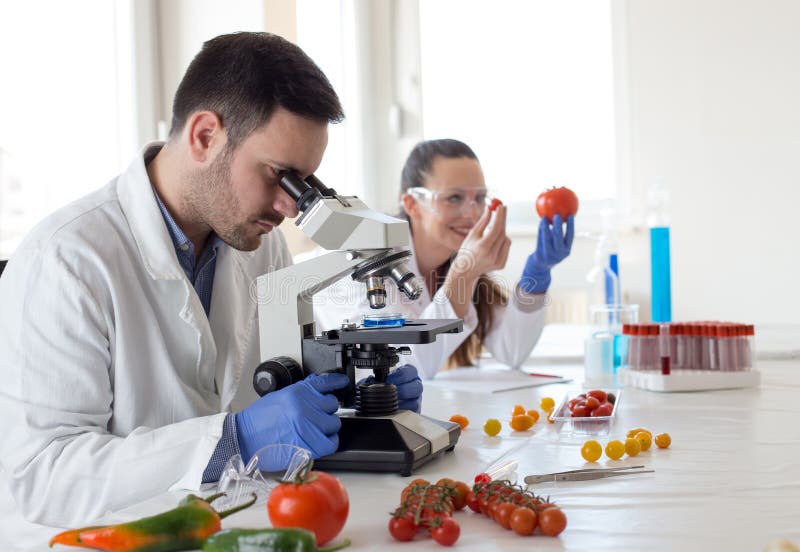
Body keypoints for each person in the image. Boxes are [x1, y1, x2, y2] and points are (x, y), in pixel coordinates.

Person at [0, 32, 422, 543]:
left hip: (237, 530)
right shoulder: (66, 259)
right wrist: (233, 439)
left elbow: (275, 394)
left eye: (304, 184)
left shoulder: (259, 245)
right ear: (205, 136)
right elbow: (45, 477)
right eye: (280, 176)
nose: (291, 207)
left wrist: (353, 397)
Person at [313, 139, 575, 379]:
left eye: (480, 198)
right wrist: (465, 273)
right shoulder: (365, 260)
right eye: (454, 198)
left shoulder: (452, 261)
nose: (472, 214)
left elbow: (512, 350)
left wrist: (536, 277)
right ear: (412, 204)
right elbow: (401, 369)